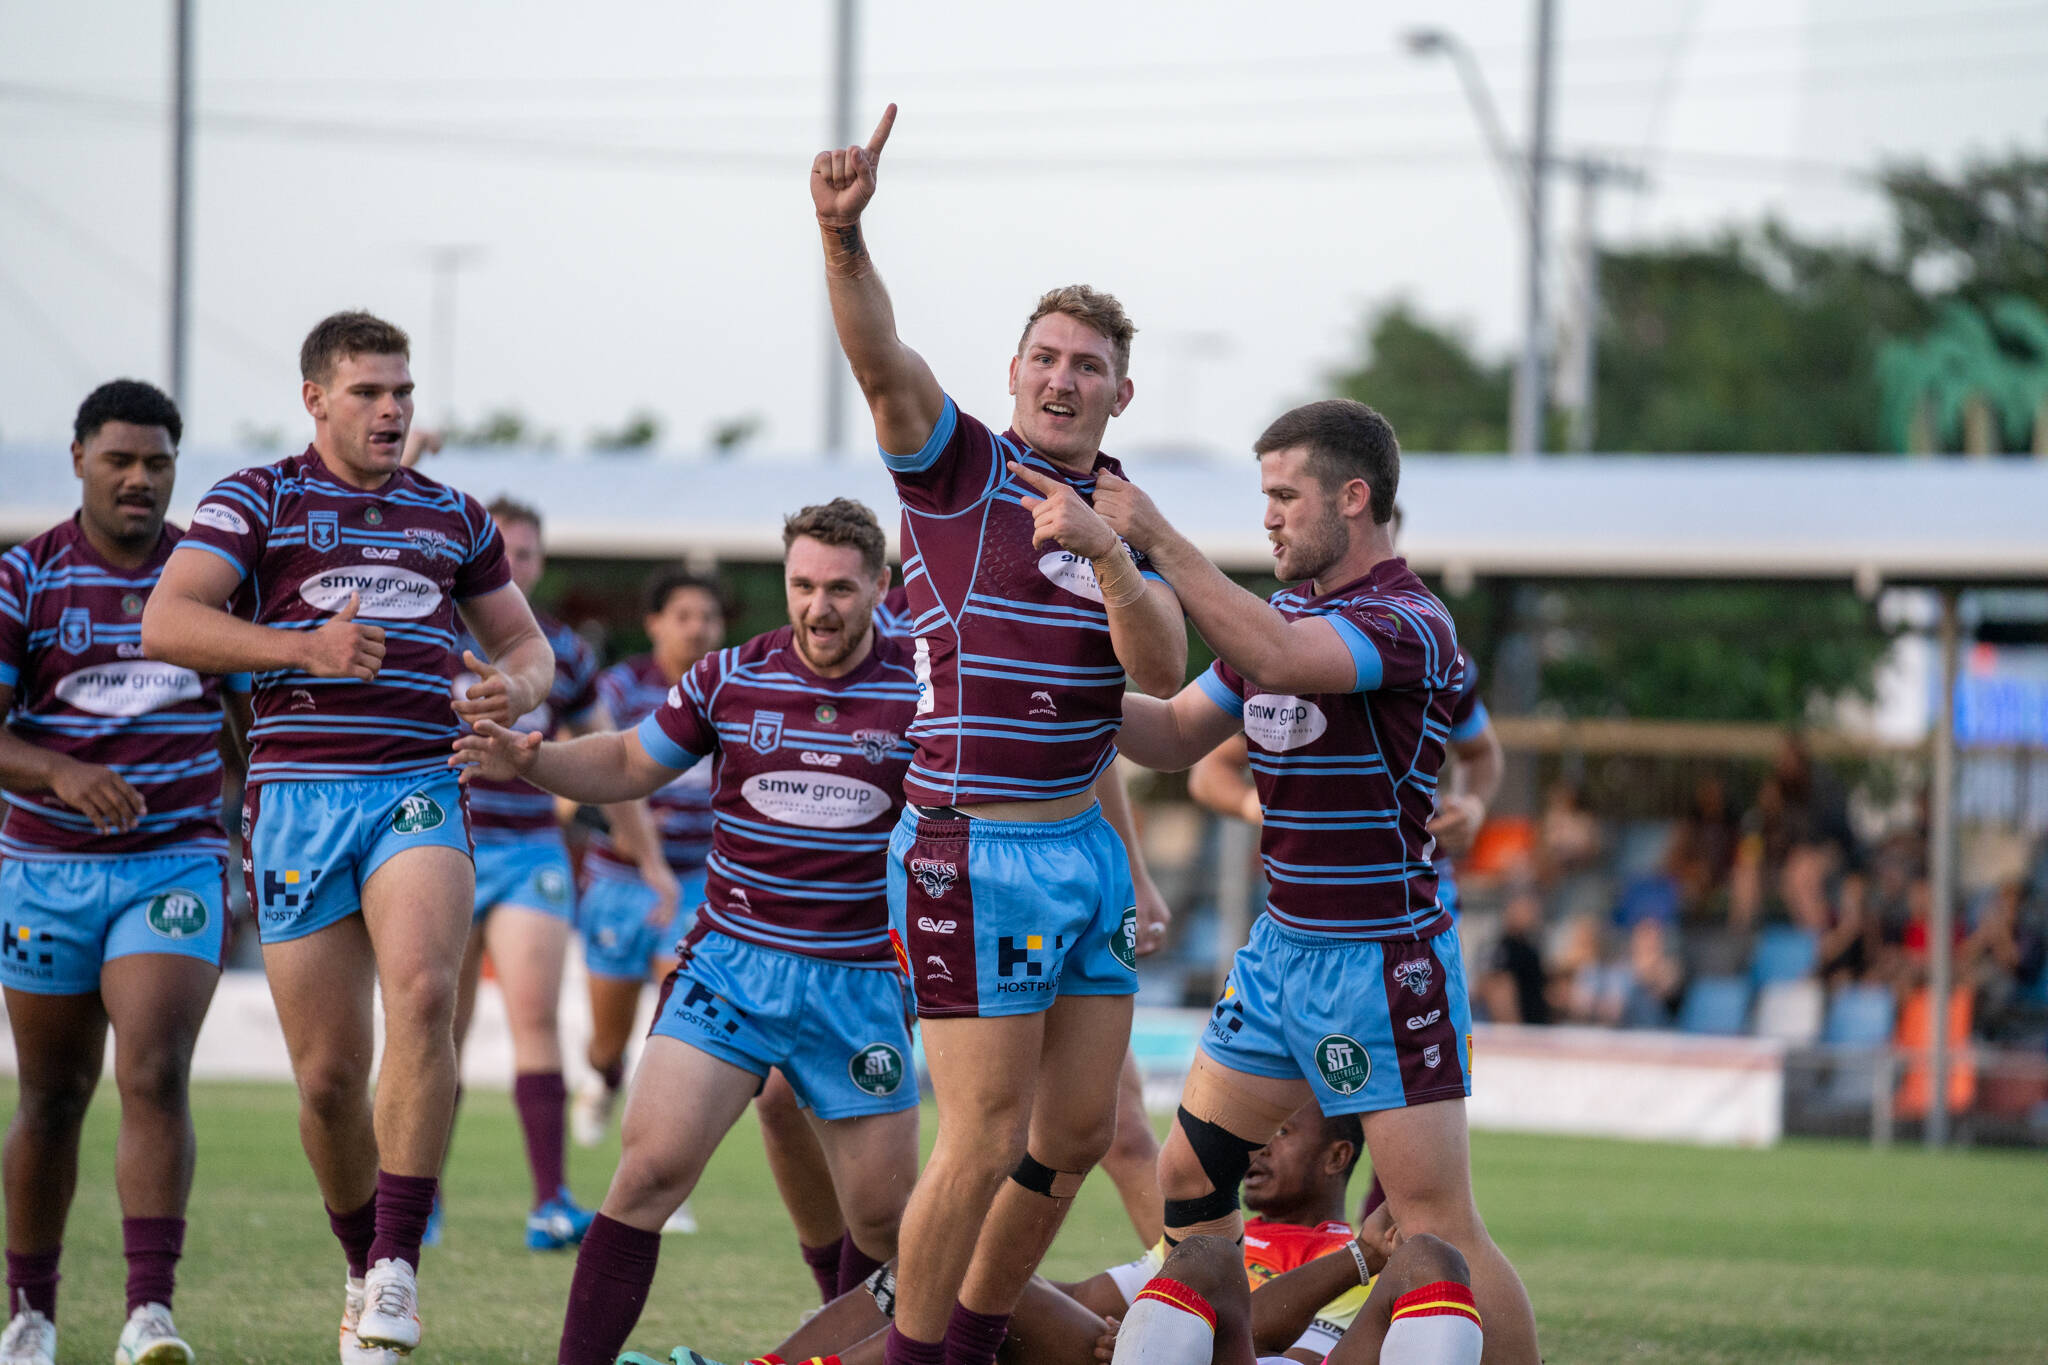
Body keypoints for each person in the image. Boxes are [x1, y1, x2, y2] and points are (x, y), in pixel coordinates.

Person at [812, 105, 1188, 1365]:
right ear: (1016, 369)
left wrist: (1109, 555)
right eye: (1045, 357)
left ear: (1119, 390)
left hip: (1078, 847)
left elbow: (1161, 669)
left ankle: (969, 1333)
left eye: (1087, 365)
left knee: (1078, 1132)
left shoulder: (1129, 515)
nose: (1062, 378)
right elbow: (878, 363)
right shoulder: (959, 469)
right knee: (976, 1136)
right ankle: (926, 1356)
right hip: (968, 850)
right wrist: (841, 236)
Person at [141, 311, 554, 1362]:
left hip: (418, 783)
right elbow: (170, 622)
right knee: (328, 1080)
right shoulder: (258, 499)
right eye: (370, 392)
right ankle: (359, 1258)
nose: (391, 410)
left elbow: (524, 642)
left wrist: (513, 686)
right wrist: (301, 646)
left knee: (424, 990)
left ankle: (401, 1268)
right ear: (316, 399)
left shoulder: (452, 514)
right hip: (297, 798)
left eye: (403, 392)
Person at [1095, 398, 1540, 1363]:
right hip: (1280, 952)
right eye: (1264, 496)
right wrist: (1054, 689)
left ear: (1354, 497)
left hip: (1382, 962)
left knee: (1435, 1227)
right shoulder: (1283, 612)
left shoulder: (1408, 620)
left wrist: (1156, 540)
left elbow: (1283, 659)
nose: (1269, 516)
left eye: (1284, 495)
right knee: (1186, 1174)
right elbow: (1173, 733)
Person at [453, 500, 924, 1365]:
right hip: (731, 969)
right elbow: (631, 759)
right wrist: (534, 757)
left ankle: (838, 1345)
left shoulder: (926, 692)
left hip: (859, 980)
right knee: (648, 1173)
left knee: (890, 1223)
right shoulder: (731, 676)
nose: (819, 606)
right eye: (803, 586)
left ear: (880, 588)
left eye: (842, 589)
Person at [0, 380, 246, 1365]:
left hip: (174, 863)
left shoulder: (210, 581)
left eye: (156, 463)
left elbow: (249, 713)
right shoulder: (25, 580)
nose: (139, 480)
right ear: (79, 462)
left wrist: (269, 796)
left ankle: (150, 1311)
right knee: (53, 1096)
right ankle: (31, 1310)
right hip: (42, 871)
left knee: (152, 1068)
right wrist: (60, 770)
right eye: (120, 461)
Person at [656, 1102, 1383, 1365]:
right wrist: (1077, 1313)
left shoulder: (1355, 1263)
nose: (1253, 1148)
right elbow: (1089, 1295)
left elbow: (1272, 1345)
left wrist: (1138, 1332)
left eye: (1280, 1133)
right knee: (954, 1266)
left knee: (967, 1276)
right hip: (1112, 1354)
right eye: (1255, 1131)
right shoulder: (1214, 1234)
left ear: (1337, 1156)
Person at [440, 497, 661, 1251]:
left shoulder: (563, 650)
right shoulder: (429, 635)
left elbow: (611, 760)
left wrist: (651, 859)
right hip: (441, 845)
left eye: (528, 552)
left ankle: (551, 1200)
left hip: (532, 852)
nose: (516, 562)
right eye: (504, 548)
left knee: (534, 1018)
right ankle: (418, 1193)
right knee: (437, 1027)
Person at [569, 568, 717, 1156]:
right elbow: (575, 792)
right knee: (610, 1042)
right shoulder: (621, 689)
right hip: (617, 881)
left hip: (698, 881)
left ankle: (661, 1167)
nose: (698, 629)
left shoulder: (731, 685)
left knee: (679, 1028)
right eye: (684, 616)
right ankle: (603, 1079)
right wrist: (631, 833)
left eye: (709, 617)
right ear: (654, 624)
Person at [1107, 1229, 1480, 1365]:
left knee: (1429, 1255)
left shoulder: (1333, 1244)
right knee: (1206, 1251)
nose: (1262, 1150)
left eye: (1283, 1132)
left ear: (1335, 1157)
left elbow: (1260, 1335)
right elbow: (1257, 1333)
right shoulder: (1230, 1239)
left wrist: (1364, 1253)